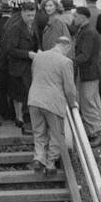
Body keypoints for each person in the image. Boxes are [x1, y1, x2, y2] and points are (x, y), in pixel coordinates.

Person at [26, 34, 78, 174]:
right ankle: (50, 163)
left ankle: (38, 157)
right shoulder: (65, 62)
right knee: (56, 134)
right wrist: (72, 103)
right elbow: (69, 88)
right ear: (67, 47)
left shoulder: (38, 57)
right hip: (53, 102)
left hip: (34, 99)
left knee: (38, 132)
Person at [2, 0, 38, 133]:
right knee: (19, 94)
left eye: (33, 15)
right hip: (18, 66)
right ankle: (21, 119)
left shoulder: (32, 27)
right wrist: (28, 54)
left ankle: (24, 119)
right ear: (22, 13)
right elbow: (10, 49)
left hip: (29, 66)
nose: (31, 18)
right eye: (28, 15)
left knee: (25, 93)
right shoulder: (15, 28)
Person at [71, 6, 101, 145]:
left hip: (88, 72)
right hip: (92, 71)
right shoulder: (87, 30)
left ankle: (95, 132)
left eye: (76, 16)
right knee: (94, 101)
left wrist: (70, 62)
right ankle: (97, 129)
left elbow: (85, 55)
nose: (74, 19)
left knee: (88, 103)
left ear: (82, 17)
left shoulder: (87, 32)